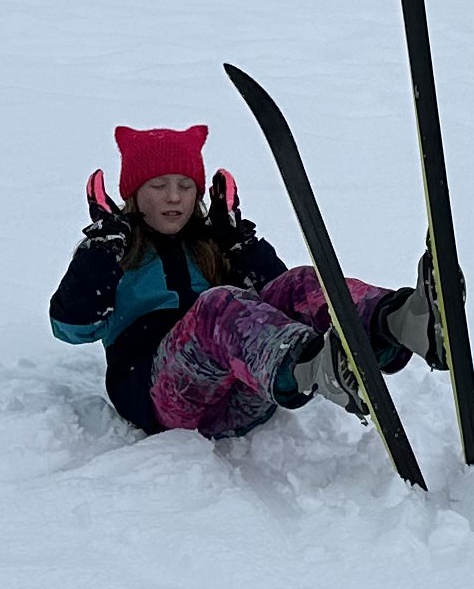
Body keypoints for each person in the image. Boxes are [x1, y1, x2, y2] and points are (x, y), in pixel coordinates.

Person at [49, 123, 442, 439]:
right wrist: (101, 251)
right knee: (217, 306)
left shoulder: (210, 244)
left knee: (301, 282)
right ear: (133, 194)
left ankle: (401, 323)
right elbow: (72, 327)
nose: (174, 197)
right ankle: (315, 370)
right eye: (158, 186)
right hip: (164, 399)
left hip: (248, 395)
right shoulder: (116, 253)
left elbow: (278, 298)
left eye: (185, 186)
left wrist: (240, 243)